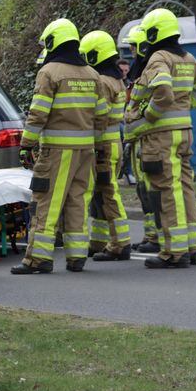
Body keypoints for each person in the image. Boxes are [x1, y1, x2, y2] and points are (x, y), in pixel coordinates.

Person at [12, 19, 109, 274]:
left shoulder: (50, 72)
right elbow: (102, 117)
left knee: (46, 202)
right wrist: (100, 148)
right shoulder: (93, 75)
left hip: (56, 151)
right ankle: (77, 256)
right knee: (78, 201)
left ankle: (38, 259)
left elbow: (38, 113)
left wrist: (26, 145)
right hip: (86, 152)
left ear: (53, 41)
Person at [126, 8, 196, 268]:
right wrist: (185, 104)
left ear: (154, 34)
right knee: (184, 188)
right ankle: (192, 246)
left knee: (166, 191)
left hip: (161, 137)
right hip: (183, 133)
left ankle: (174, 252)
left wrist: (150, 115)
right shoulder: (187, 58)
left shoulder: (159, 58)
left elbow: (163, 92)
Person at [79, 31, 132, 261]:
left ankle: (120, 243)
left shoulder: (101, 81)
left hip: (103, 146)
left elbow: (96, 115)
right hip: (113, 144)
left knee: (108, 193)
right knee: (101, 194)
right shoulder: (116, 79)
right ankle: (99, 241)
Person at [123, 25, 161, 253]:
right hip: (137, 137)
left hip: (147, 136)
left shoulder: (149, 70)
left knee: (150, 189)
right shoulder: (138, 70)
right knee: (142, 190)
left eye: (133, 46)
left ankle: (156, 237)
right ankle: (150, 235)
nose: (130, 50)